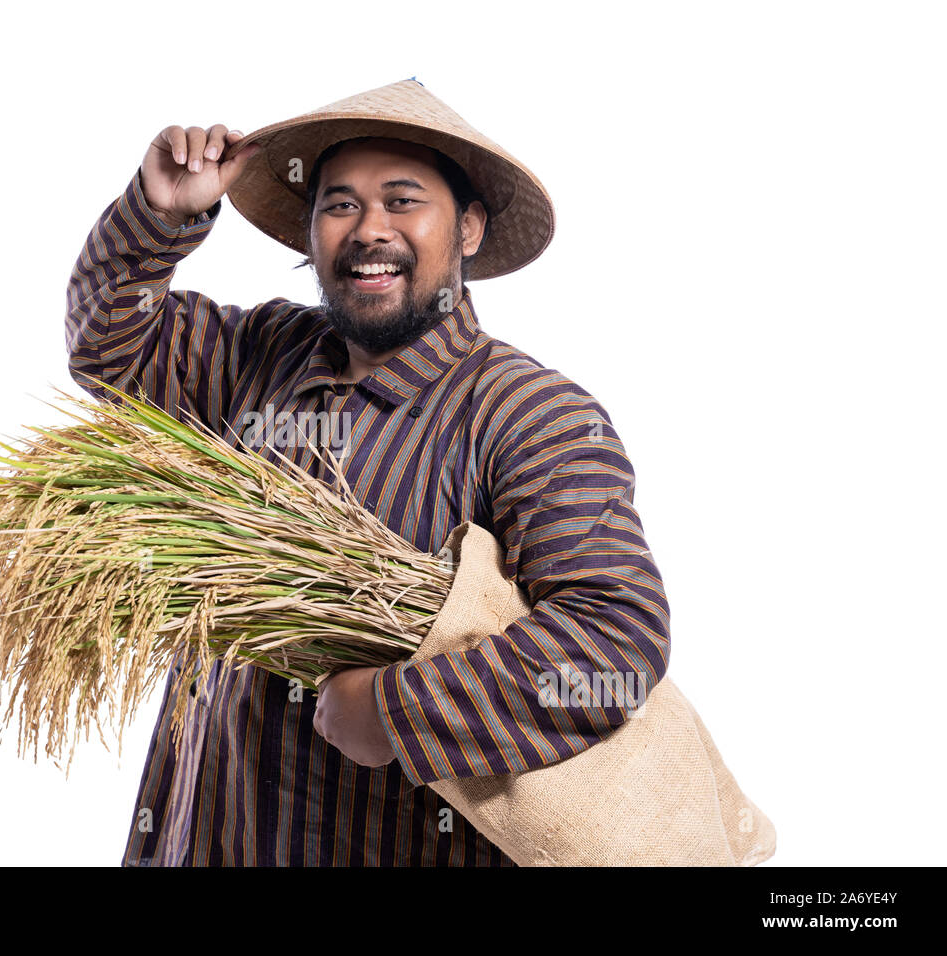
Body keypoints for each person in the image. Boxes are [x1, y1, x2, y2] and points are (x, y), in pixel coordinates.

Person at [64, 79, 671, 866]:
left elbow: (614, 642)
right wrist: (161, 214)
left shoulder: (530, 413)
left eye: (403, 200)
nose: (368, 231)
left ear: (470, 229)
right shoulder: (262, 356)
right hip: (207, 836)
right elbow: (106, 348)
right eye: (340, 205)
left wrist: (397, 712)